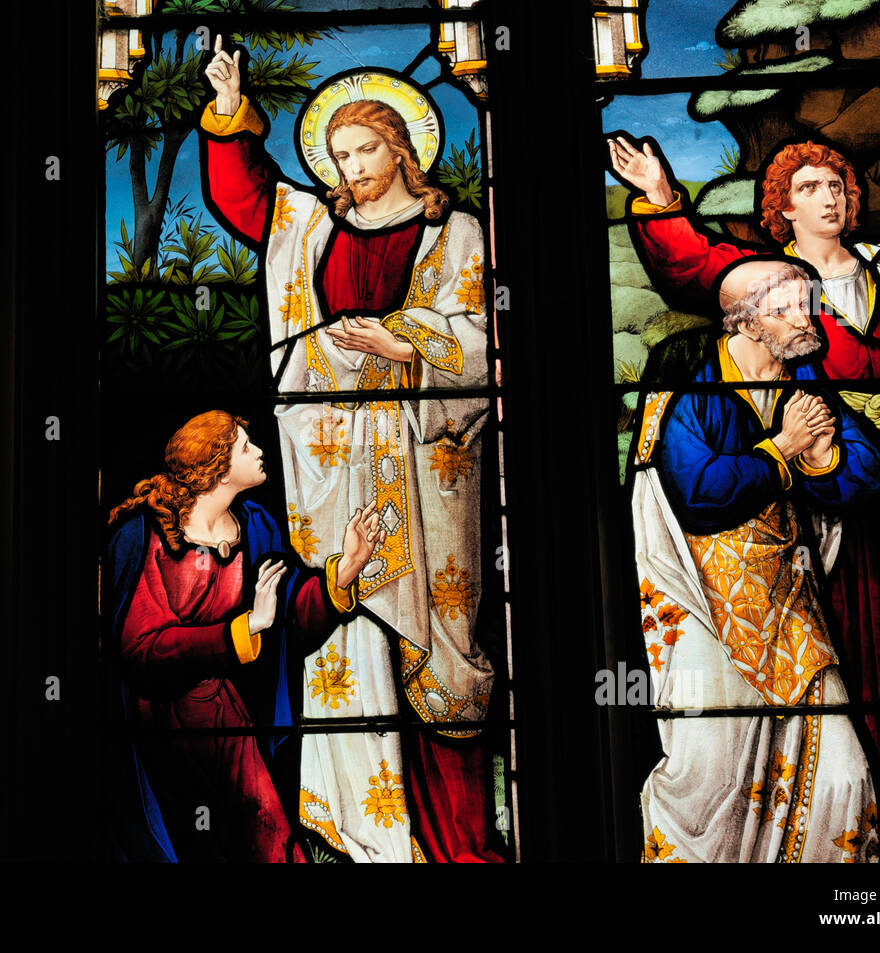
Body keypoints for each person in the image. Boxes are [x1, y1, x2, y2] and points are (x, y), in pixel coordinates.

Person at [609, 92, 880, 862]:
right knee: (854, 661)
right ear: (779, 209)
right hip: (816, 545)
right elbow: (693, 268)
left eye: (839, 185)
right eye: (810, 187)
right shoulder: (755, 287)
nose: (832, 197)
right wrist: (657, 197)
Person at [201, 37, 499, 862]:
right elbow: (243, 194)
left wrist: (405, 343)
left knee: (445, 649)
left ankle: (459, 843)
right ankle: (359, 834)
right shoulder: (306, 225)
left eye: (366, 147)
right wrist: (229, 108)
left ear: (402, 148)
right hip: (330, 459)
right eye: (339, 152)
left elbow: (481, 339)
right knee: (347, 630)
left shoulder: (456, 232)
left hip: (429, 458)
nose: (353, 165)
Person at [633, 259, 880, 862]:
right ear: (744, 322)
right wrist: (784, 449)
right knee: (708, 768)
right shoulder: (693, 388)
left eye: (808, 303)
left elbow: (866, 472)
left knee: (844, 768)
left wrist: (823, 458)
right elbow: (699, 494)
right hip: (699, 600)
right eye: (786, 308)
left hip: (788, 602)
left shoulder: (803, 388)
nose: (805, 317)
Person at [106, 411, 384, 862]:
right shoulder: (145, 537)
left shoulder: (255, 526)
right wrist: (245, 627)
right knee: (182, 841)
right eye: (244, 447)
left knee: (267, 821)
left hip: (224, 713)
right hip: (156, 724)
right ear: (216, 468)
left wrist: (347, 568)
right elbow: (140, 649)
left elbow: (293, 610)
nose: (258, 452)